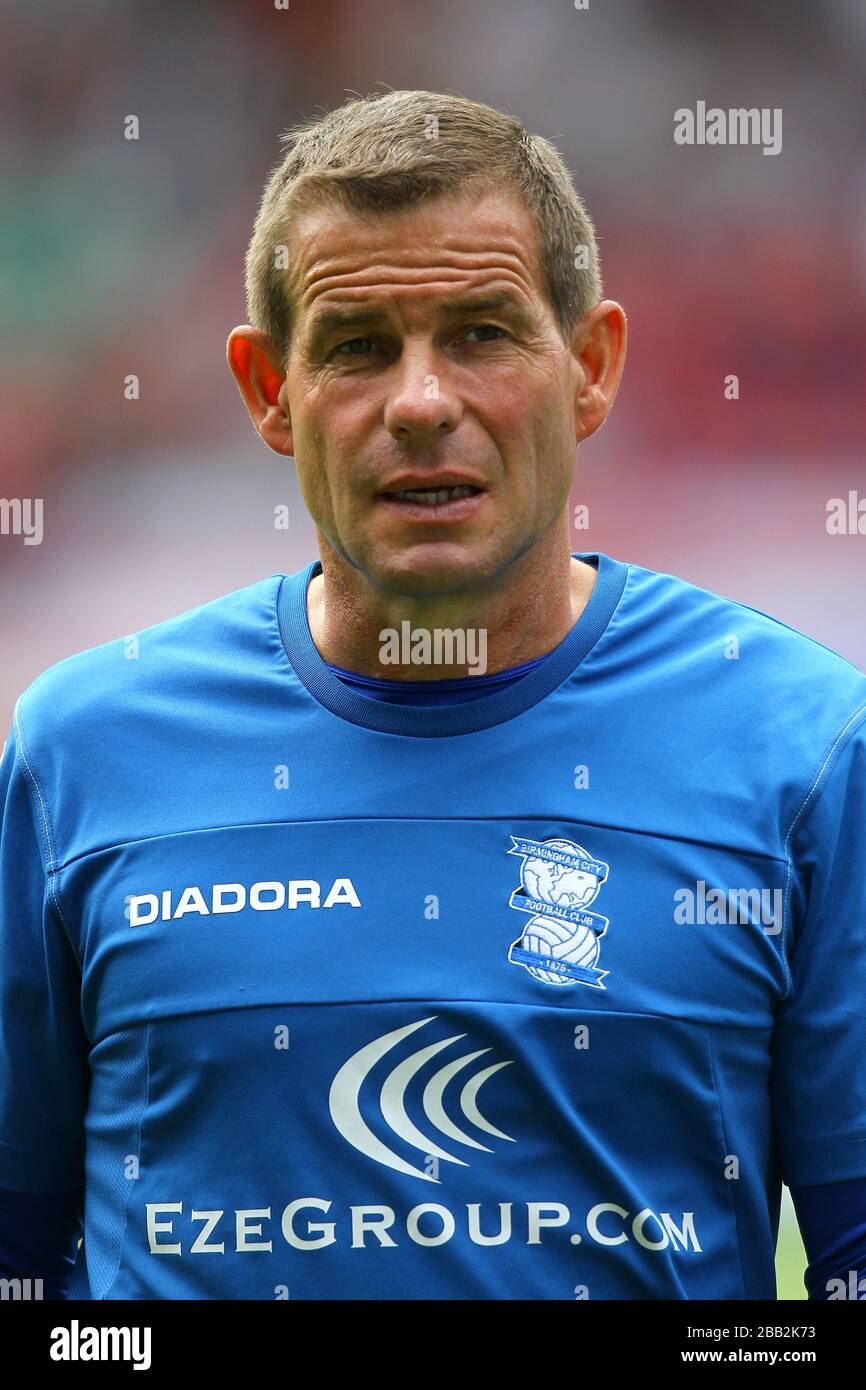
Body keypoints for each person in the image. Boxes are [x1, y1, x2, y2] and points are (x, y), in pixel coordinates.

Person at [1, 89, 864, 1301]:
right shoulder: (79, 752)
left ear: (590, 367)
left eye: (480, 332)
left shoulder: (804, 749)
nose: (419, 403)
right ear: (267, 390)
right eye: (357, 346)